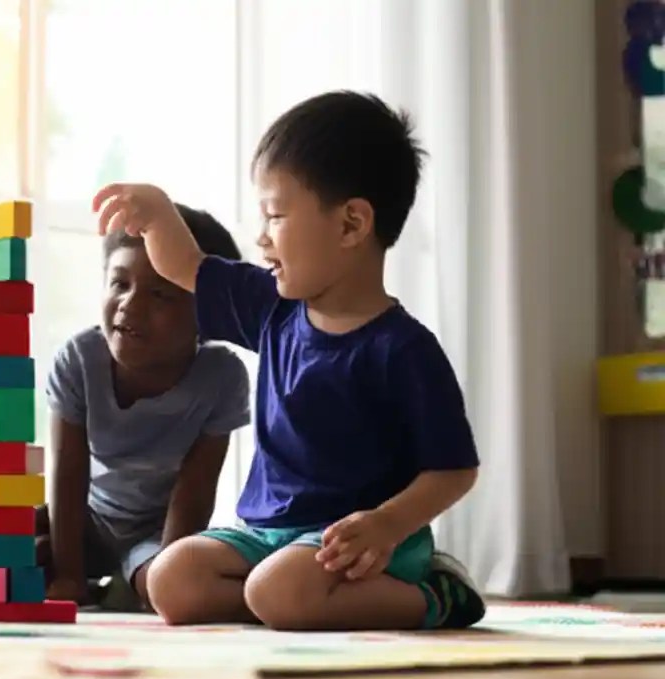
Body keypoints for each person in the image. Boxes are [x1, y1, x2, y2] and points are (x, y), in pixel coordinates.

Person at [92, 91, 485, 630]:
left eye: (274, 215)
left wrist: (386, 524)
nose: (260, 237)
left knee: (281, 590)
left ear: (351, 225)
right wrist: (157, 213)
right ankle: (284, 604)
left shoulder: (404, 350)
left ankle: (435, 598)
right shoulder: (271, 309)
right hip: (267, 536)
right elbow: (187, 265)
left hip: (355, 544)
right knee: (171, 579)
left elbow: (454, 470)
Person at [43, 204, 251, 609]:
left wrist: (170, 572)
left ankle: (126, 585)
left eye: (159, 294)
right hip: (85, 519)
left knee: (167, 583)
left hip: (153, 534)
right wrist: (68, 575)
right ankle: (96, 582)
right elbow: (67, 472)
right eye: (119, 283)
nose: (129, 305)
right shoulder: (80, 358)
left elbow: (195, 488)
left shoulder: (222, 377)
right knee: (7, 552)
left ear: (207, 315)